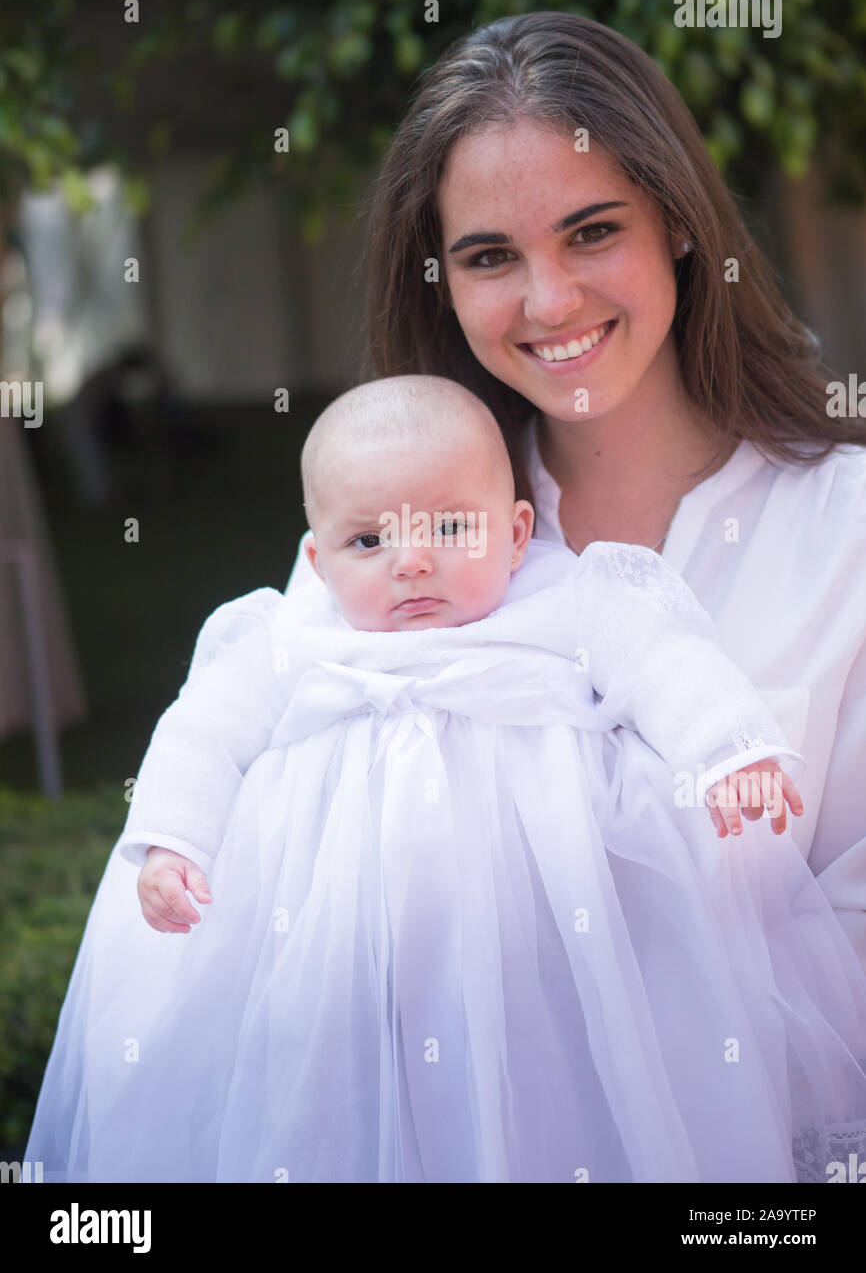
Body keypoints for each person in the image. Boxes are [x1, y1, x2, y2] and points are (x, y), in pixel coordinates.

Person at [23, 376, 866, 1184]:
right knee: (346, 1108)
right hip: (345, 947)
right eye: (369, 541)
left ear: (515, 528)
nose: (412, 563)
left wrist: (726, 750)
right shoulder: (293, 636)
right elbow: (203, 730)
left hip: (545, 938)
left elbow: (665, 658)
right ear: (317, 561)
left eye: (452, 529)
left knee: (551, 1096)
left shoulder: (566, 595)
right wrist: (175, 838)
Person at [343, 9, 866, 971]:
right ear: (441, 285)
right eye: (491, 256)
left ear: (677, 223)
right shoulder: (389, 543)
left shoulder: (849, 531)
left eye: (591, 232)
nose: (551, 303)